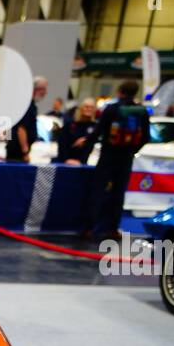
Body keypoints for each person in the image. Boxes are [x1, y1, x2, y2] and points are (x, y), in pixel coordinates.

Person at [87, 79, 149, 240]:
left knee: (98, 191)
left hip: (108, 155)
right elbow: (146, 137)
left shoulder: (111, 109)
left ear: (120, 91)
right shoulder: (141, 111)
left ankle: (90, 227)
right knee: (118, 194)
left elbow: (98, 131)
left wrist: (85, 145)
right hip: (126, 157)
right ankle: (112, 229)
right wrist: (132, 150)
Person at [5, 75, 48, 162]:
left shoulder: (26, 104)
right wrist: (25, 152)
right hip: (17, 152)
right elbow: (21, 129)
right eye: (44, 90)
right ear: (37, 89)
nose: (45, 93)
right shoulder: (28, 106)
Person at [55, 99, 98, 165]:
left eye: (92, 107)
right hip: (65, 161)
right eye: (86, 107)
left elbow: (90, 147)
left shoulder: (94, 127)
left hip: (81, 162)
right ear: (81, 108)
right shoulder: (70, 124)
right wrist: (66, 159)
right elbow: (62, 143)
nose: (89, 109)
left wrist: (81, 161)